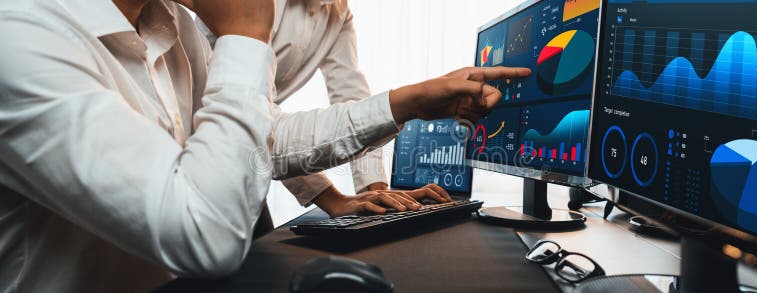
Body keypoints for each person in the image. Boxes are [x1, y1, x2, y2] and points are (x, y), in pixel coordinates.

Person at [0, 0, 530, 291]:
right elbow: (202, 234)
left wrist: (405, 104)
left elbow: (266, 138)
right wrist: (247, 36)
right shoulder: (20, 36)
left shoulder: (170, 22)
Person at [195, 0, 435, 222]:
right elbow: (244, 111)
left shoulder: (338, 12)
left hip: (247, 152)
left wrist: (376, 190)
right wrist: (331, 198)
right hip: (198, 152)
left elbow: (352, 94)